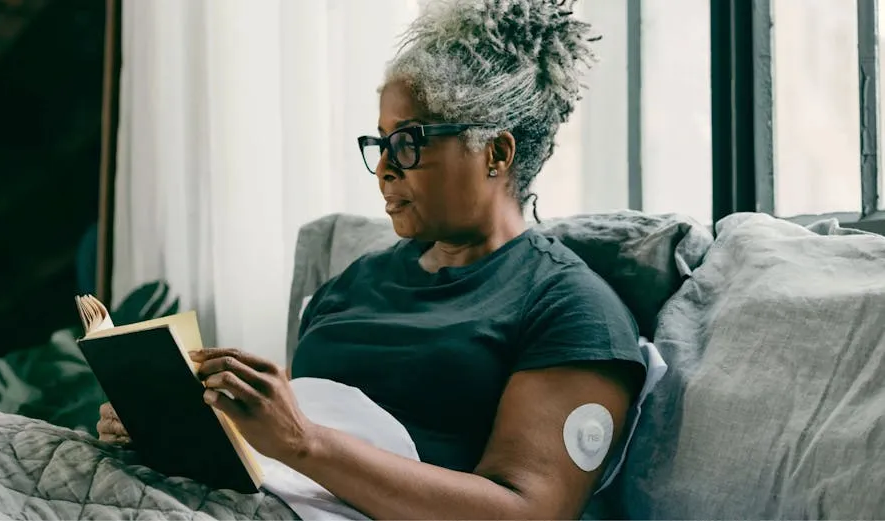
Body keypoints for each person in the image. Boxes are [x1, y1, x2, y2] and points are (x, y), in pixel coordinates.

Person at [98, 0, 647, 518]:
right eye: (380, 143)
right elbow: (307, 410)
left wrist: (302, 442)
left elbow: (527, 511)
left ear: (496, 153)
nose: (385, 168)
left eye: (409, 142)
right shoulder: (359, 280)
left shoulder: (571, 309)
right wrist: (181, 417)